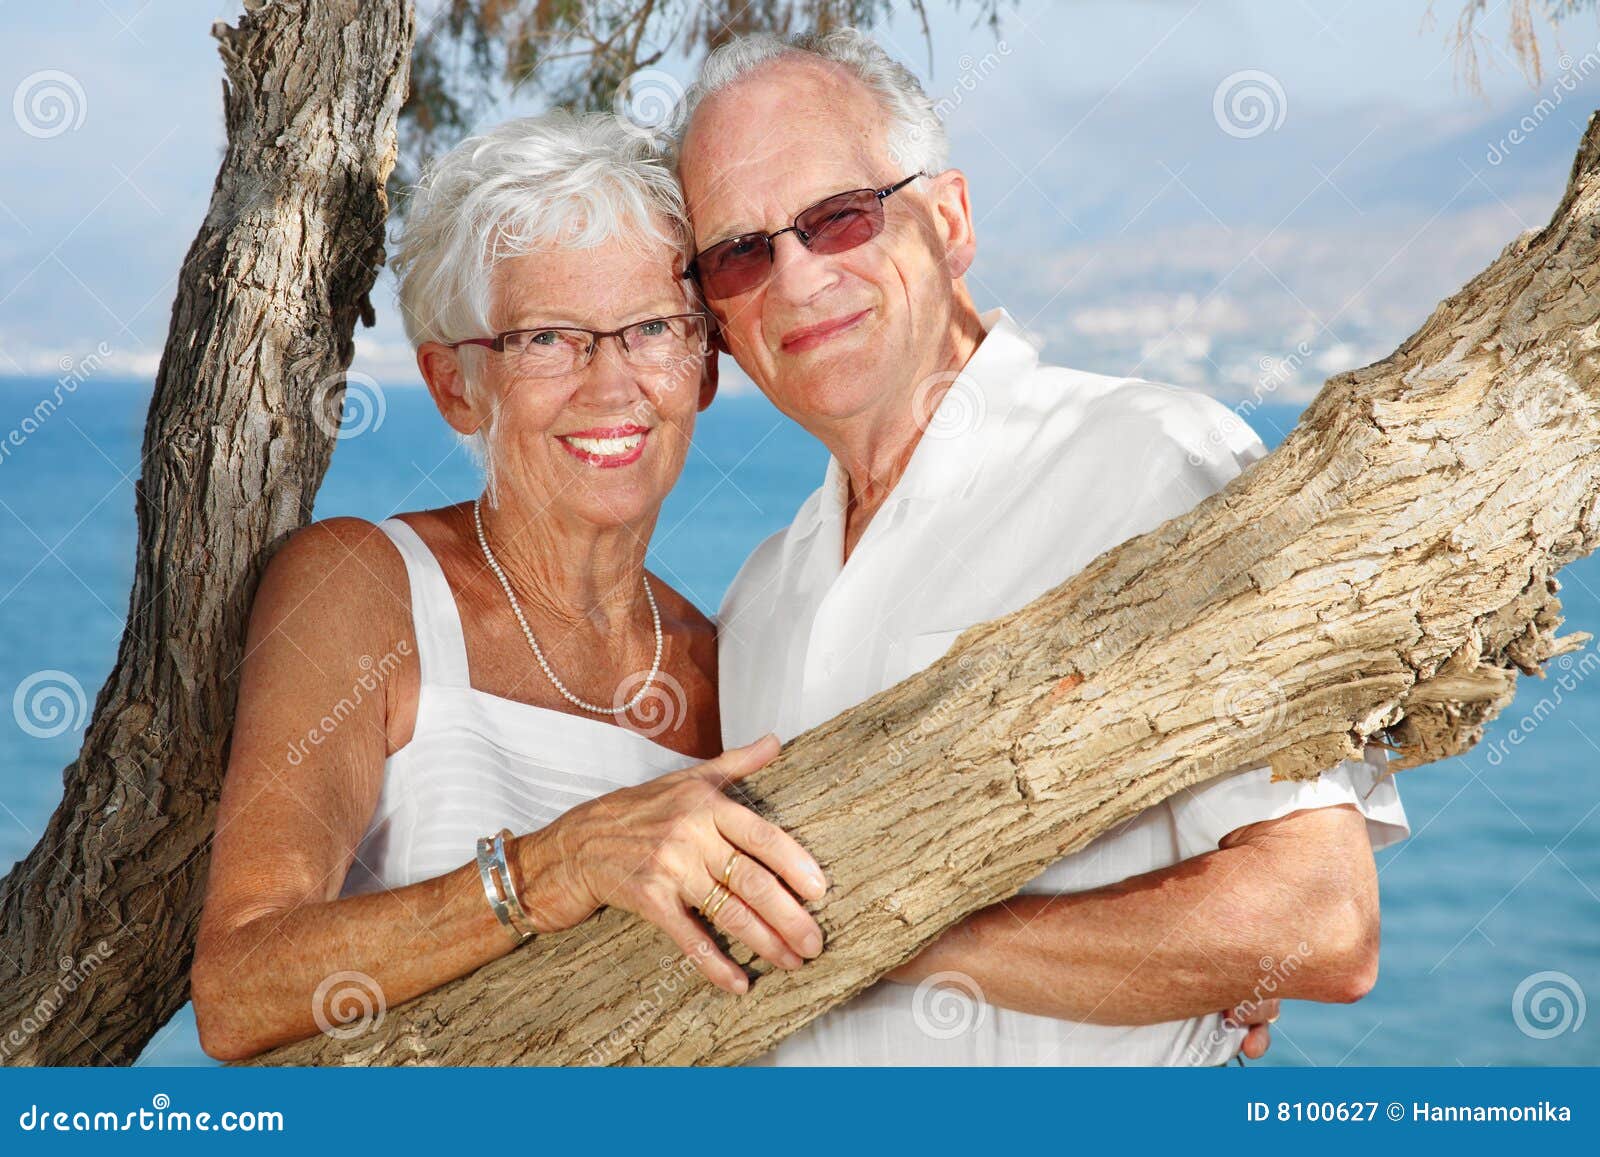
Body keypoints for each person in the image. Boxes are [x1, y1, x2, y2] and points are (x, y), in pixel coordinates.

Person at [674, 28, 1411, 1065]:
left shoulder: (1154, 464)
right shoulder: (758, 603)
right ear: (717, 311)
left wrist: (900, 935)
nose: (794, 279)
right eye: (740, 252)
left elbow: (1317, 919)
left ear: (949, 219)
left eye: (837, 217)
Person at [189, 111, 828, 1062]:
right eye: (546, 339)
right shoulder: (365, 587)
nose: (612, 386)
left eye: (652, 329)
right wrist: (554, 863)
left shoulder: (730, 666)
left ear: (702, 368)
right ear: (455, 386)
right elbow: (239, 990)